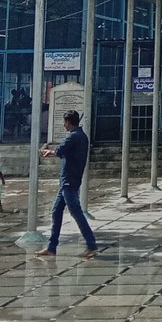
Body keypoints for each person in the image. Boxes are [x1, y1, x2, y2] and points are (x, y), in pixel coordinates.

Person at [36, 110, 98, 259]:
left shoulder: (74, 136)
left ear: (68, 123)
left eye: (65, 123)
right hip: (68, 180)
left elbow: (60, 150)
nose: (64, 126)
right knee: (56, 211)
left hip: (69, 180)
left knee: (76, 211)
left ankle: (91, 244)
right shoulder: (81, 136)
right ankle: (52, 247)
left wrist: (48, 151)